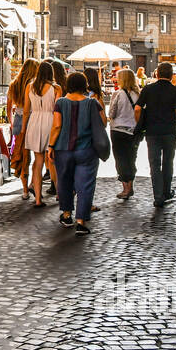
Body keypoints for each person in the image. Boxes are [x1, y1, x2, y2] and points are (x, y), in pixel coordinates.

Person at [49, 71, 109, 234]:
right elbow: (103, 122)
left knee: (65, 181)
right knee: (86, 184)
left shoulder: (60, 103)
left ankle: (67, 215)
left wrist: (50, 146)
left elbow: (56, 126)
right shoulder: (92, 103)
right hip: (87, 150)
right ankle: (81, 221)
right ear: (84, 86)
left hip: (63, 149)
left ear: (69, 85)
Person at [135, 62, 176, 207]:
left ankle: (158, 196)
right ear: (171, 75)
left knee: (154, 164)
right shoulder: (175, 91)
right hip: (170, 131)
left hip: (152, 132)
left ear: (157, 74)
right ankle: (166, 192)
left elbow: (137, 109)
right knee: (168, 162)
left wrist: (139, 125)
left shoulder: (148, 89)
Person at [21, 60, 60, 207]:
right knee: (52, 160)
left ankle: (38, 199)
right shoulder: (56, 88)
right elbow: (57, 110)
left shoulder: (30, 87)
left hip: (34, 122)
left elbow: (25, 111)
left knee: (37, 162)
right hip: (50, 122)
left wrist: (24, 129)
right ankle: (58, 194)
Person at [7, 58, 39, 198]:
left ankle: (25, 190)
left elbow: (8, 108)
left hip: (19, 120)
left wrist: (12, 123)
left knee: (23, 157)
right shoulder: (35, 86)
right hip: (34, 120)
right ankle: (33, 184)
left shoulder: (13, 85)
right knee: (38, 155)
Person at [108, 67, 141, 200]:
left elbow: (112, 113)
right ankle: (130, 186)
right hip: (134, 131)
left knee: (120, 159)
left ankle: (125, 189)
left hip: (118, 131)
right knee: (131, 158)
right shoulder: (138, 94)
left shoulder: (117, 94)